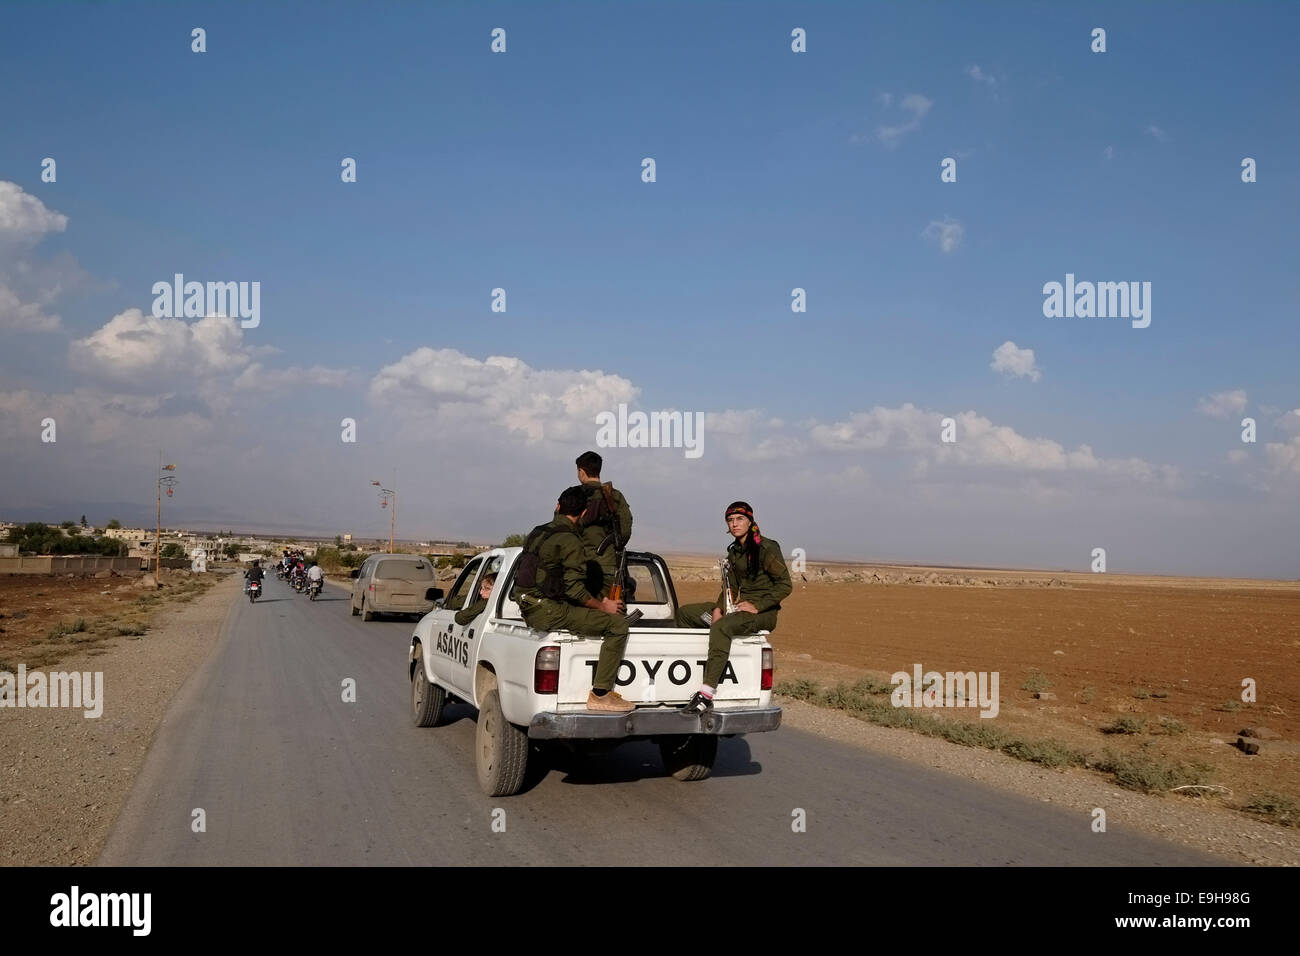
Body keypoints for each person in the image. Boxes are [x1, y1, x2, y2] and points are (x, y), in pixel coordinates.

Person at [513, 486, 633, 713]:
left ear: (558, 506)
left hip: (529, 605)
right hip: (548, 611)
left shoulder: (537, 532)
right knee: (617, 625)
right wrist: (603, 605)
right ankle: (600, 694)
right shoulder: (570, 541)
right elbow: (574, 590)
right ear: (584, 513)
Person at [674, 501, 790, 715]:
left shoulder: (766, 547)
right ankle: (698, 669)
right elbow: (731, 587)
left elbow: (785, 585)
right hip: (735, 608)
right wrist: (719, 609)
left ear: (750, 521)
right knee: (686, 614)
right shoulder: (735, 551)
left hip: (761, 614)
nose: (734, 524)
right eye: (730, 520)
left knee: (721, 627)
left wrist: (758, 606)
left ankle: (706, 694)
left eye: (739, 519)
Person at [574, 450, 633, 598]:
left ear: (581, 471)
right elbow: (624, 531)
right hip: (608, 567)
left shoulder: (573, 496)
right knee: (612, 614)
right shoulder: (615, 496)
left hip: (578, 567)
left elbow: (561, 528)